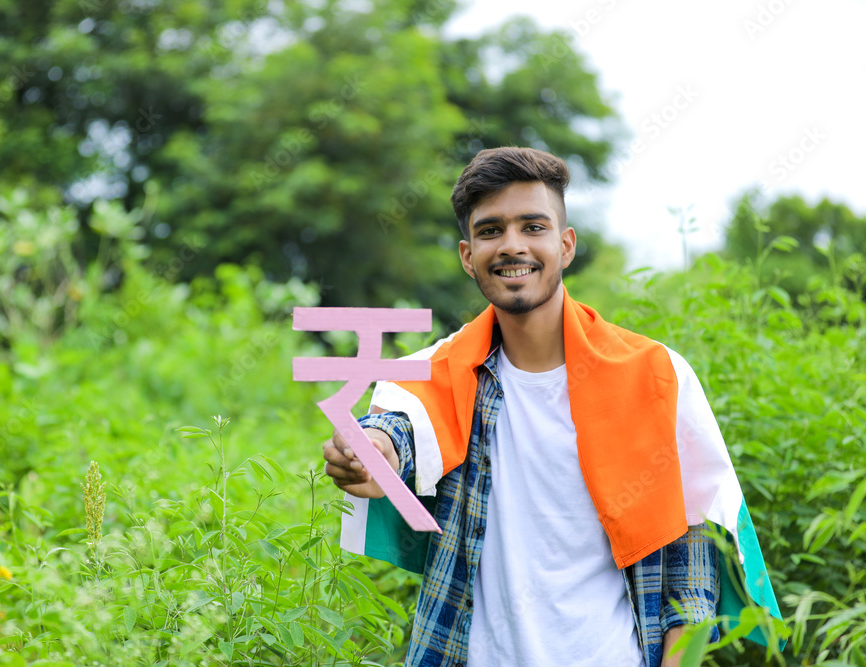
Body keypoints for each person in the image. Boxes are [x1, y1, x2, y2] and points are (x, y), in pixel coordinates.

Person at [321, 147, 781, 666]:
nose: (512, 245)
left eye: (532, 226)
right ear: (467, 254)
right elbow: (394, 431)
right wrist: (368, 452)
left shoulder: (656, 375)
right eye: (491, 230)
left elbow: (694, 555)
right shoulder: (435, 372)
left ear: (565, 246)